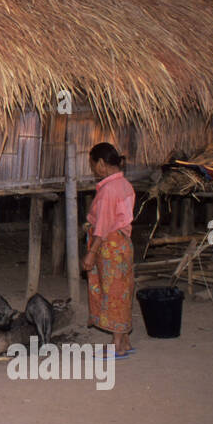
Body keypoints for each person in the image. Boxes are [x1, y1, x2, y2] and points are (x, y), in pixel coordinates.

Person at [81, 142, 136, 358]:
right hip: (123, 244)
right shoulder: (125, 185)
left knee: (113, 291)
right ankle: (125, 341)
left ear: (102, 163)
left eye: (94, 164)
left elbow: (103, 225)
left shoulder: (108, 190)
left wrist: (91, 253)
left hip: (109, 245)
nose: (94, 169)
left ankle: (117, 344)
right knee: (123, 289)